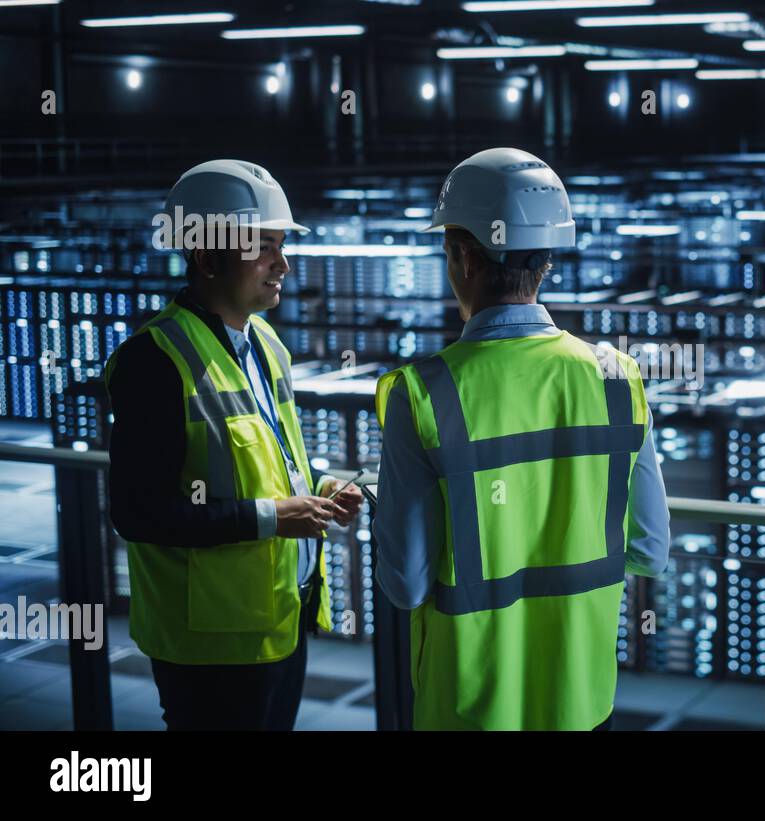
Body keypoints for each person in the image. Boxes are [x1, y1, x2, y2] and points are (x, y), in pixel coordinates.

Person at [373, 147, 671, 730]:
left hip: (469, 708)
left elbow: (405, 585)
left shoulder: (423, 393)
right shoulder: (616, 379)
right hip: (582, 701)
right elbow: (650, 550)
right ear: (546, 262)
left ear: (460, 255)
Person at [106, 159, 364, 730]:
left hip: (279, 620)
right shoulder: (156, 361)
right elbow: (138, 512)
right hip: (209, 647)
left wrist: (319, 490)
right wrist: (273, 518)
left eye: (281, 246)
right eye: (264, 247)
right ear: (205, 255)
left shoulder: (266, 343)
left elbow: (271, 460)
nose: (283, 265)